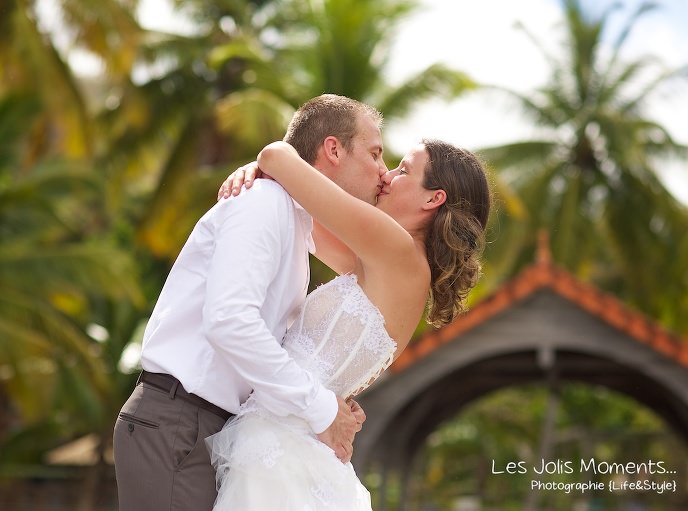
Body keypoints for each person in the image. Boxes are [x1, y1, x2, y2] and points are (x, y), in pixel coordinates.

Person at [112, 94, 388, 511]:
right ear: (333, 148)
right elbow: (229, 322)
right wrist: (318, 406)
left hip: (205, 427)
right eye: (375, 153)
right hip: (178, 421)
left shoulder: (296, 219)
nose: (383, 171)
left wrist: (330, 401)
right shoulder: (262, 203)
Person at [208, 138, 491, 509]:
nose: (387, 176)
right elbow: (302, 217)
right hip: (296, 444)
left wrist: (263, 169)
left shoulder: (398, 251)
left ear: (432, 199)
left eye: (404, 170)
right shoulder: (388, 265)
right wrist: (264, 178)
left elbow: (277, 156)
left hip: (281, 447)